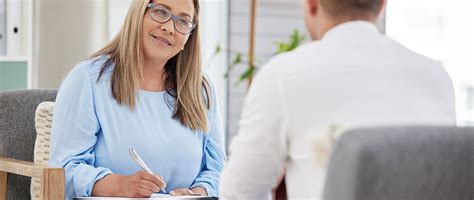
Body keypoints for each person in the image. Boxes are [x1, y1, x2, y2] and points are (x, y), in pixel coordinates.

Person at [219, 0, 456, 199]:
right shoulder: (437, 77)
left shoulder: (282, 75)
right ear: (382, 5)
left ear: (312, 5)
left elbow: (239, 193)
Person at [49, 0, 226, 199]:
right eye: (160, 12)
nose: (169, 27)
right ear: (138, 14)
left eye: (183, 21)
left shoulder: (201, 89)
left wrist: (196, 193)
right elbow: (63, 170)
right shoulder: (89, 79)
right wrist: (121, 186)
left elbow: (217, 170)